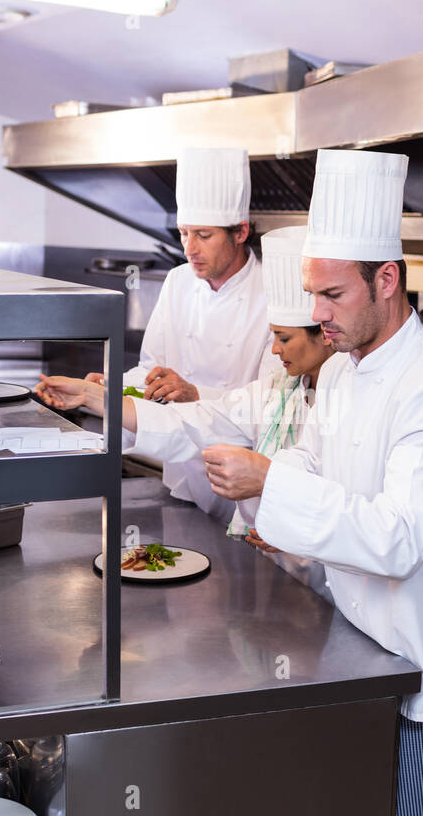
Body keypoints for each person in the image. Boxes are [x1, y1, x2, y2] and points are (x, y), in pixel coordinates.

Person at [195, 149, 423, 816]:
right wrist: (278, 492)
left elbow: (398, 539)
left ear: (387, 280)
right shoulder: (339, 372)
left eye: (333, 296)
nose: (317, 314)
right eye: (312, 294)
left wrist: (273, 487)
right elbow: (313, 457)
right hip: (359, 653)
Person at [34, 225, 332, 594]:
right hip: (274, 566)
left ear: (326, 332)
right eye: (184, 233)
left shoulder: (344, 398)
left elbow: (352, 509)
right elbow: (196, 422)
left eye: (283, 338)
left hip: (327, 584)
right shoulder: (281, 390)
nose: (274, 349)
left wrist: (295, 524)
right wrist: (94, 395)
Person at [81, 147, 279, 523]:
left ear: (240, 232)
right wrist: (114, 388)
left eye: (204, 235)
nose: (189, 248)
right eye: (185, 233)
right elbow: (151, 370)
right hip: (182, 474)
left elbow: (274, 404)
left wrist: (196, 394)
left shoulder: (274, 294)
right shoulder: (177, 282)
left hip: (243, 484)